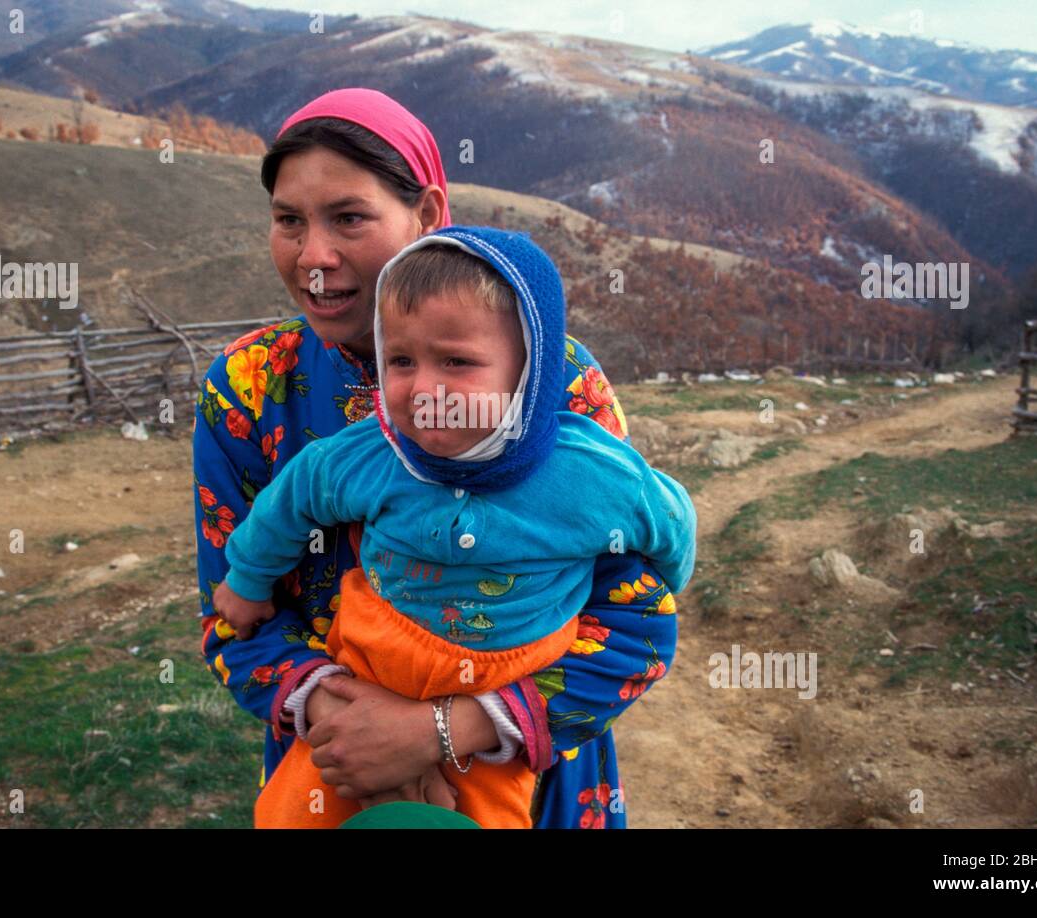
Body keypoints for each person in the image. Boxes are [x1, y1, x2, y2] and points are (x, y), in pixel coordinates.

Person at [193, 87, 682, 829]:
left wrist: (439, 732)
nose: (314, 257)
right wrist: (355, 731)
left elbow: (635, 621)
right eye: (288, 220)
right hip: (334, 766)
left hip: (520, 762)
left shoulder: (552, 383)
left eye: (348, 217)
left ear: (426, 215)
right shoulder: (249, 388)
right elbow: (231, 612)